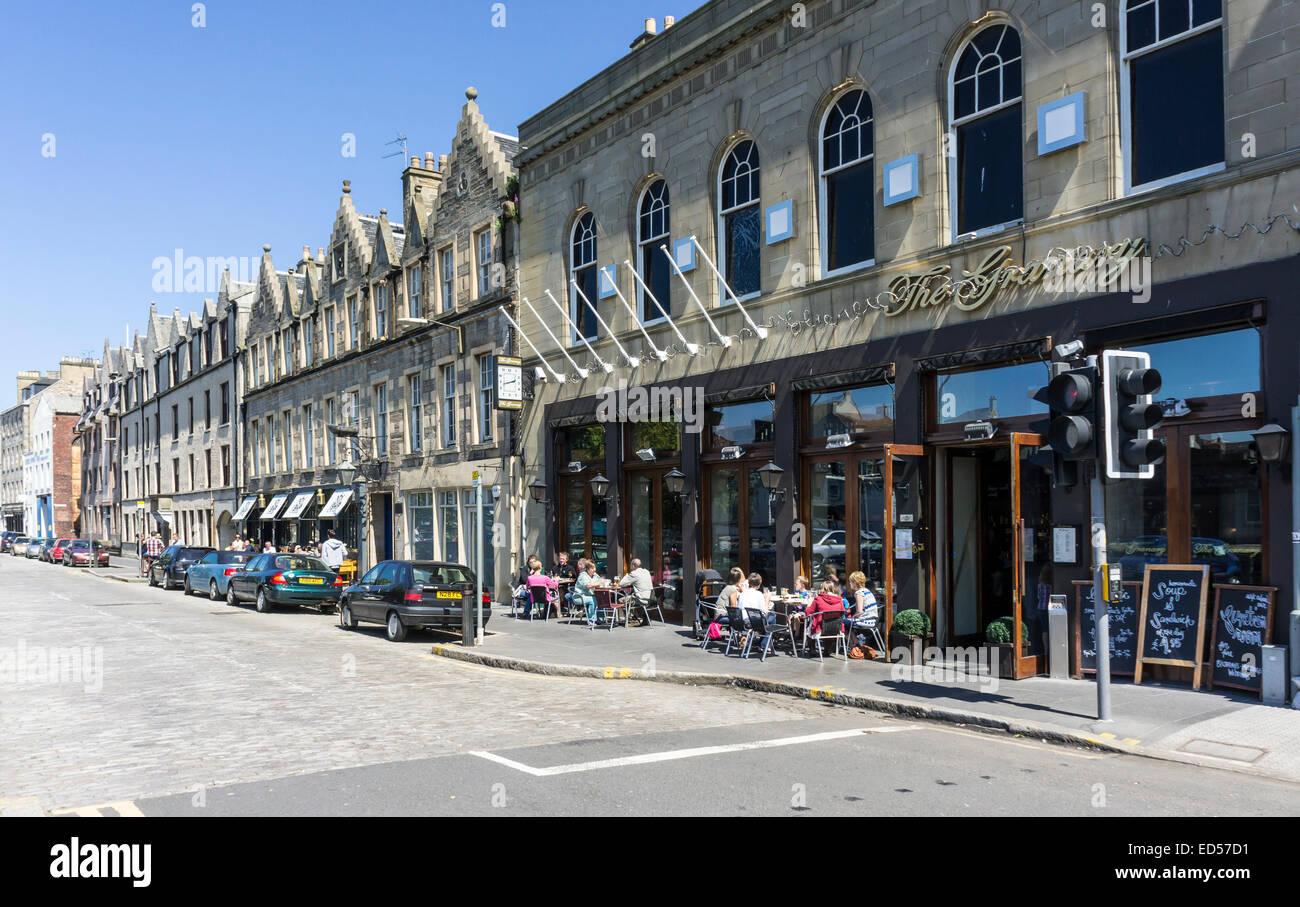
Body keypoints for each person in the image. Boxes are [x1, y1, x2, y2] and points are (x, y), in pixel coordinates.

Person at [616, 557, 655, 623]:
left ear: (633, 566)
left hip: (641, 599)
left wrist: (626, 575)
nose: (630, 566)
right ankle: (644, 618)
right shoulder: (646, 571)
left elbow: (621, 584)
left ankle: (631, 619)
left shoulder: (634, 573)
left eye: (630, 565)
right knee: (633, 597)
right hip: (650, 598)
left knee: (621, 600)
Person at [847, 570, 879, 644]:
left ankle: (855, 645)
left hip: (865, 621)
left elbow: (859, 611)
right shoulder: (867, 591)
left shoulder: (859, 593)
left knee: (842, 623)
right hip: (873, 621)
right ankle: (856, 644)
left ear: (855, 583)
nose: (850, 583)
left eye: (851, 581)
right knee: (847, 624)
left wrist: (853, 617)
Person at [573, 560, 600, 628]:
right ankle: (591, 620)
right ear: (588, 569)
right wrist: (598, 583)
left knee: (601, 598)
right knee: (593, 600)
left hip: (589, 595)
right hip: (579, 597)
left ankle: (598, 619)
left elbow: (601, 580)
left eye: (595, 568)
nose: (595, 570)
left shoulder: (595, 575)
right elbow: (588, 585)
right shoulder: (582, 575)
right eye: (593, 568)